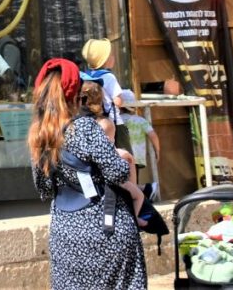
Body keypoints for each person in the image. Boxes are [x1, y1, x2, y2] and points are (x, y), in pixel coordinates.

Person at [29, 57, 147, 289]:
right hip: (104, 227)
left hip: (65, 234)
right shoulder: (84, 127)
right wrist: (123, 158)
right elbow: (117, 173)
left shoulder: (38, 134)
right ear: (74, 94)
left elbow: (43, 188)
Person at [81, 81, 147, 226]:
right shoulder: (105, 123)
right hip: (105, 173)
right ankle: (134, 219)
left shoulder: (77, 123)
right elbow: (107, 153)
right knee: (137, 194)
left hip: (83, 175)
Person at [116, 89, 160, 190]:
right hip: (138, 157)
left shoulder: (117, 120)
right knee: (134, 181)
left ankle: (146, 190)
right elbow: (153, 135)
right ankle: (147, 190)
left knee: (125, 183)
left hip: (122, 157)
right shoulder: (140, 120)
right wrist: (157, 150)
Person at [81, 37, 124, 124]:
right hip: (111, 122)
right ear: (105, 60)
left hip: (92, 121)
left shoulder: (86, 76)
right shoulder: (109, 77)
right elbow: (118, 102)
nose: (114, 57)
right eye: (111, 55)